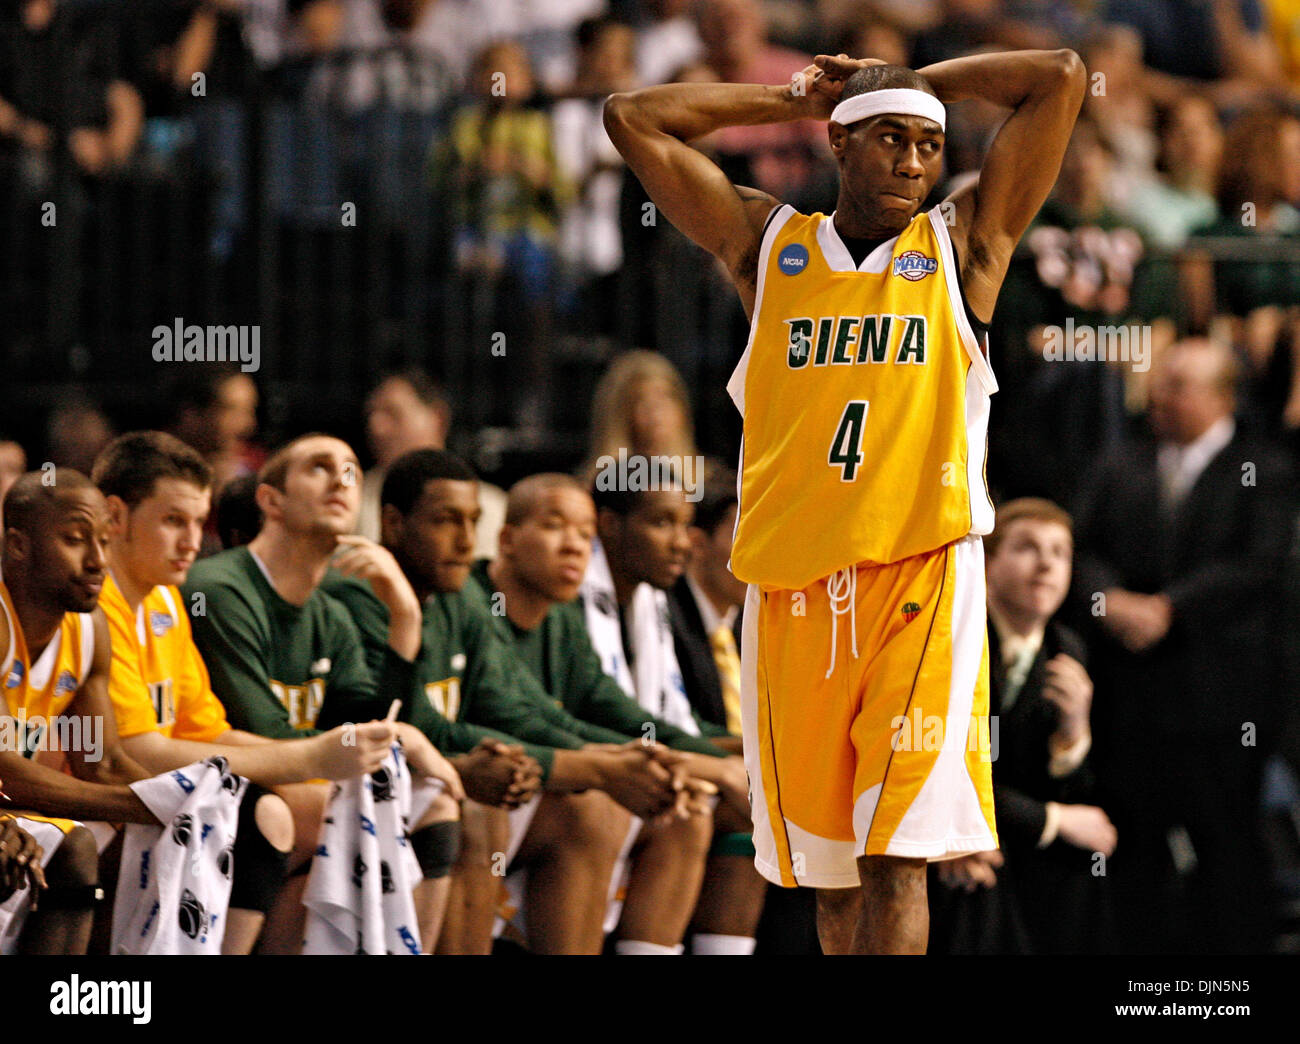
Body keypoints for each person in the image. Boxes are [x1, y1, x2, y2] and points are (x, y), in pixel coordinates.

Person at [605, 45, 1086, 952]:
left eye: (928, 145)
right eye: (890, 139)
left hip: (920, 572)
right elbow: (632, 115)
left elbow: (1059, 76)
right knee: (830, 884)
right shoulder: (766, 248)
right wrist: (792, 92)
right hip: (792, 595)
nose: (912, 161)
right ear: (838, 143)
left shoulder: (961, 246)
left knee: (896, 857)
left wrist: (917, 82)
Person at [324, 450, 708, 954]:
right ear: (392, 523)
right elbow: (419, 726)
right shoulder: (359, 594)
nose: (465, 541)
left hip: (432, 779)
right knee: (498, 807)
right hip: (357, 786)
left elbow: (523, 709)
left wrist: (617, 761)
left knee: (650, 806)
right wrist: (593, 767)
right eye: (446, 521)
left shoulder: (461, 596)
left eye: (473, 522)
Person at [92, 430, 399, 954]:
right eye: (172, 521)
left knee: (345, 809)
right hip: (96, 803)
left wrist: (328, 760)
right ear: (115, 518)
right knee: (269, 815)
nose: (192, 540)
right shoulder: (100, 604)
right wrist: (308, 757)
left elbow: (207, 729)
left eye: (197, 521)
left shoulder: (164, 600)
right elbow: (138, 749)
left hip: (157, 792)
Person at [181, 434, 465, 953]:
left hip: (291, 780)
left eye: (353, 472)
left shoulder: (330, 614)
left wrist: (405, 617)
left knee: (435, 803)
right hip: (219, 778)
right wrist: (401, 738)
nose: (341, 480)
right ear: (271, 500)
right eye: (319, 467)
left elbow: (368, 721)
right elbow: (265, 732)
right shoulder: (219, 590)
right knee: (329, 807)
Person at [1072, 337, 1297, 953]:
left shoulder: (1264, 470)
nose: (1160, 396)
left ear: (1222, 396)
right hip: (1130, 700)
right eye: (1160, 381)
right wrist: (1109, 600)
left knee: (1228, 853)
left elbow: (1258, 566)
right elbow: (1080, 544)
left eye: (1179, 384)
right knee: (1132, 856)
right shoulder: (1122, 462)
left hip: (1225, 707)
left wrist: (1170, 608)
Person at [486, 471, 762, 954]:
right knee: (610, 808)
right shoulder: (507, 603)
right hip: (504, 780)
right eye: (661, 523)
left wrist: (746, 756)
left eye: (581, 533)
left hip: (560, 767)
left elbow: (632, 715)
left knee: (694, 806)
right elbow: (526, 718)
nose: (681, 544)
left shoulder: (640, 603)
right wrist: (628, 765)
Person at [929, 498, 1118, 954]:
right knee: (978, 871)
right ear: (988, 562)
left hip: (1007, 823)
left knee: (1086, 861)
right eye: (1027, 547)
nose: (1046, 564)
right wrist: (1052, 819)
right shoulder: (949, 637)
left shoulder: (1065, 647)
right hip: (942, 818)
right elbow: (946, 768)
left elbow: (1069, 789)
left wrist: (1073, 738)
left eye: (1060, 552)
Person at [359, 370, 505, 557]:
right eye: (371, 415)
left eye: (393, 414)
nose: (377, 428)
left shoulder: (490, 506)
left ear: (438, 418)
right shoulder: (354, 496)